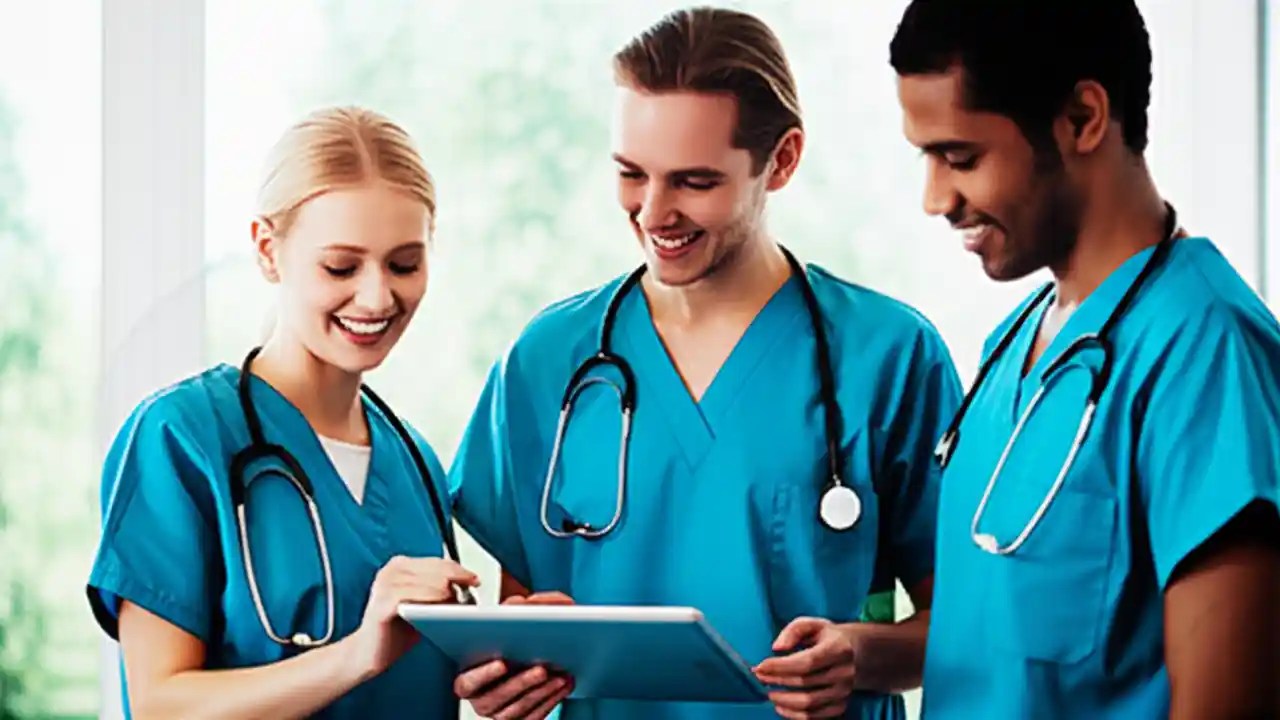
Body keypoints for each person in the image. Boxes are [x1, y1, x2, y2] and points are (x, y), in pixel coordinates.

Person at [448, 7, 962, 720]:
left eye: (694, 182)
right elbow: (526, 616)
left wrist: (860, 655)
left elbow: (966, 625)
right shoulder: (545, 362)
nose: (654, 212)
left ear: (780, 161)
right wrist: (507, 682)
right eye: (631, 174)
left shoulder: (887, 356)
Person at [890, 1, 1280, 717]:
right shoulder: (1012, 345)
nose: (935, 198)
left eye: (961, 158)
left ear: (1082, 119)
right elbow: (1002, 637)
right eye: (927, 158)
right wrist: (866, 654)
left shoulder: (1205, 354)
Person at [86, 106, 480, 718]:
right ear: (268, 250)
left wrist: (521, 652)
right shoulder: (184, 438)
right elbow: (163, 703)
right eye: (340, 266)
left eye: (404, 263)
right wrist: (356, 655)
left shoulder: (416, 463)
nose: (378, 297)